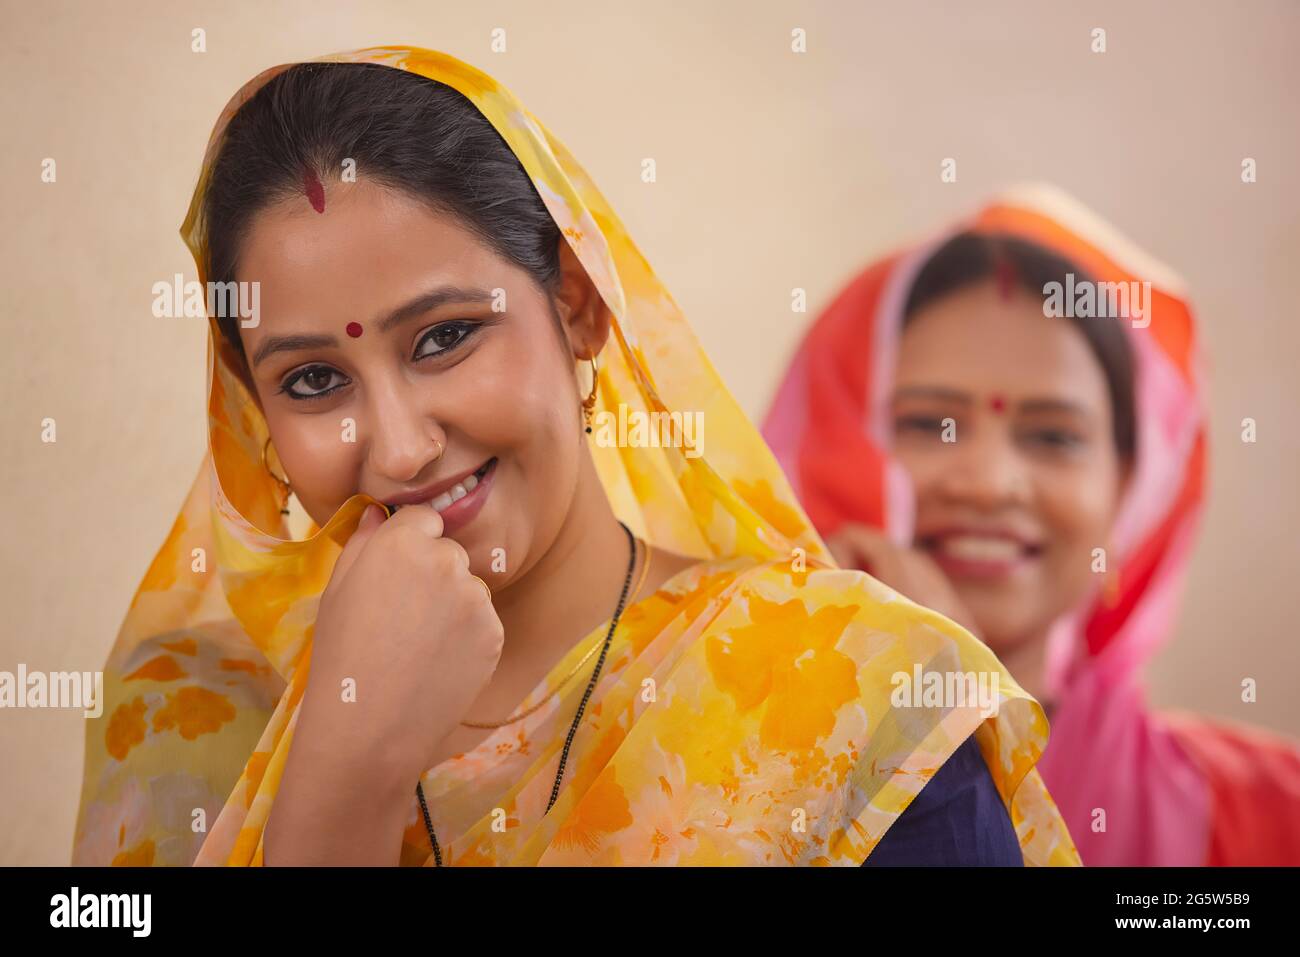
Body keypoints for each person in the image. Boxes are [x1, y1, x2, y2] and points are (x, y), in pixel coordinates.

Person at [70, 49, 1079, 867]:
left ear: (579, 306)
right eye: (313, 383)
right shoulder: (197, 719)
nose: (402, 446)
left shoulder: (856, 701)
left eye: (443, 338)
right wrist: (342, 780)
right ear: (258, 419)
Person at [762, 185, 1300, 866]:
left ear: (1132, 491)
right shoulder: (714, 803)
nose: (989, 482)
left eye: (1053, 436)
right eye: (931, 423)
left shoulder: (1274, 820)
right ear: (831, 453)